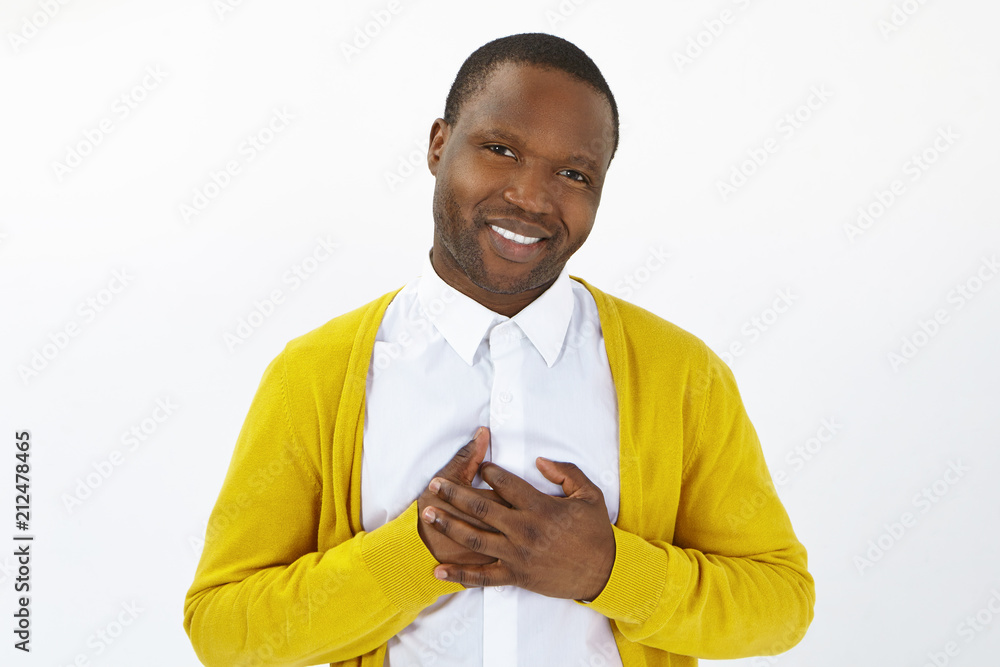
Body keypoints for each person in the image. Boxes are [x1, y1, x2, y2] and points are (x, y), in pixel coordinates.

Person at [183, 32, 815, 667]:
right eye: (501, 150)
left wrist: (608, 570)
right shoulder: (315, 375)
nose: (531, 198)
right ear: (438, 145)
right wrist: (413, 552)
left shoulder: (681, 375)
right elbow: (222, 630)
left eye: (574, 173)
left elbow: (780, 604)